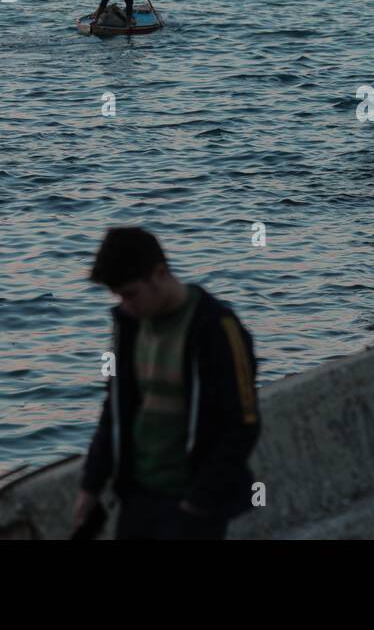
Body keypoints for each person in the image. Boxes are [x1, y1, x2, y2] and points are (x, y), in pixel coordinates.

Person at [74, 227, 261, 539]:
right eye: (119, 296)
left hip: (192, 504)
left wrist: (197, 503)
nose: (125, 305)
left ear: (159, 274)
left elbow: (244, 425)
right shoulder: (130, 327)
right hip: (137, 497)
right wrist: (91, 484)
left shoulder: (217, 329)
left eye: (131, 294)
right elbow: (115, 410)